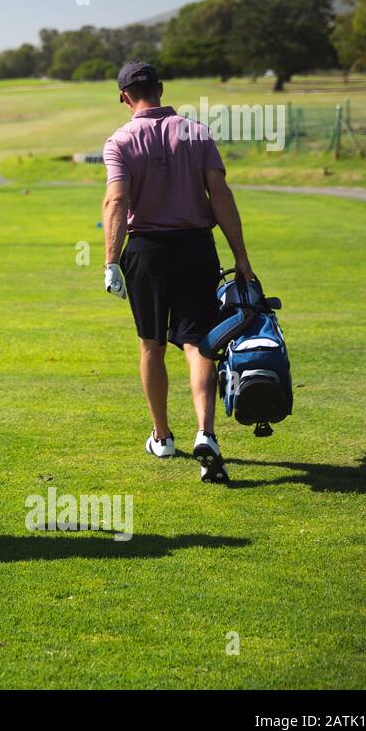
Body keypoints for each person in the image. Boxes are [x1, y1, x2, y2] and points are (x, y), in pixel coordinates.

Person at [101, 61, 254, 484]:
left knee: (151, 345)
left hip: (147, 252)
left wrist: (111, 261)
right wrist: (241, 257)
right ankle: (206, 432)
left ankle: (163, 436)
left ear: (124, 96)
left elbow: (116, 202)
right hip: (196, 248)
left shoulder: (119, 140)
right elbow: (220, 196)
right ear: (161, 89)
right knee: (198, 343)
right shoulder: (197, 132)